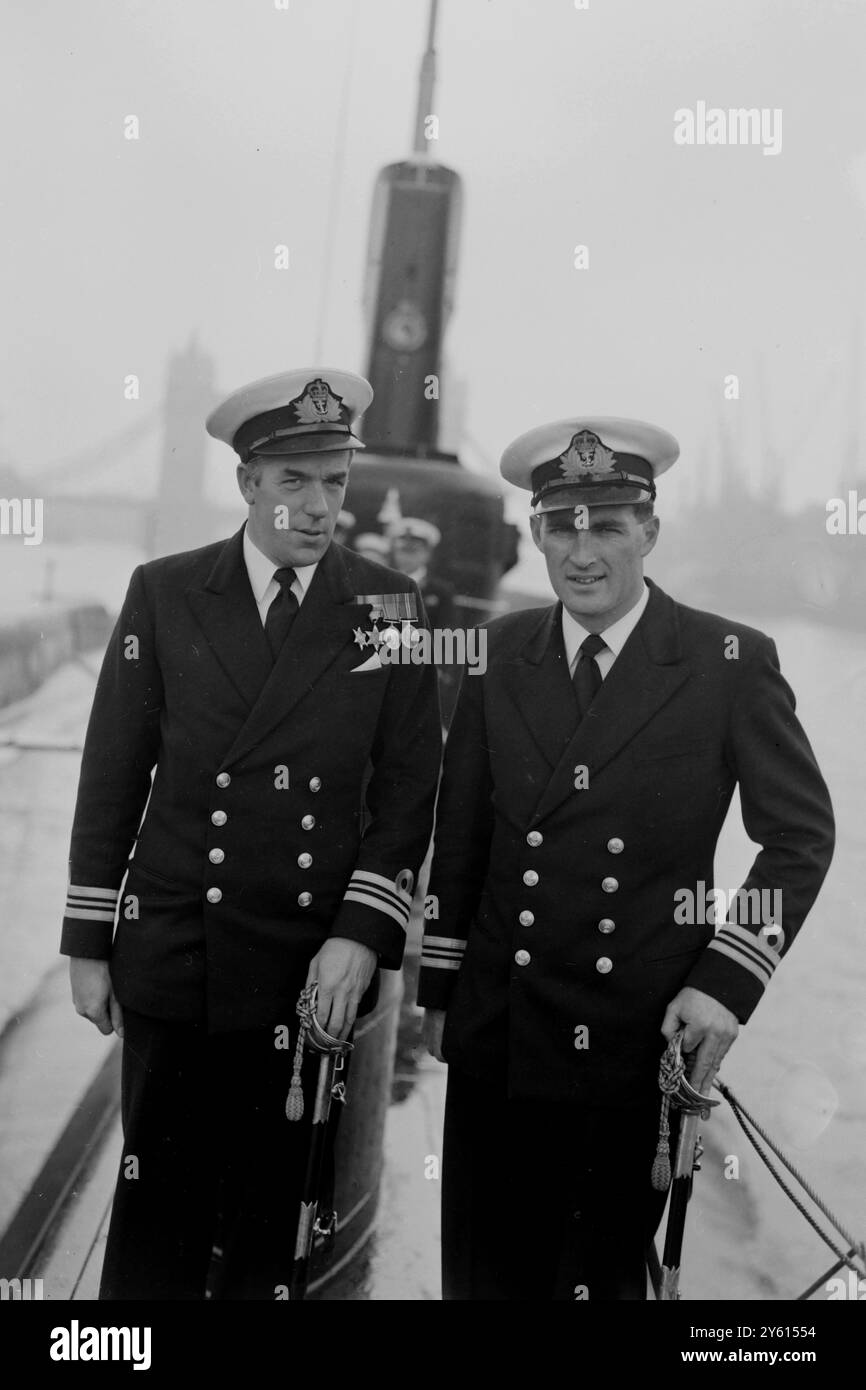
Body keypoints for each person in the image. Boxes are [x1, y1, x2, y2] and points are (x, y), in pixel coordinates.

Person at [418, 416, 835, 1301]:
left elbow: (798, 838)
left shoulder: (727, 662)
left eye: (607, 526)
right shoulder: (498, 654)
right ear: (534, 534)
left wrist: (726, 982)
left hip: (627, 1047)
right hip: (499, 1036)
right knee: (480, 1286)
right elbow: (461, 842)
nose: (582, 552)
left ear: (649, 531)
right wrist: (438, 1001)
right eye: (561, 527)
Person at [62, 368, 442, 1300]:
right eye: (294, 483)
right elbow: (113, 774)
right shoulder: (165, 592)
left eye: (335, 484)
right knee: (154, 1226)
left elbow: (407, 789)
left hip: (305, 969)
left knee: (274, 1238)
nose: (318, 509)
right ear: (248, 484)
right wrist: (86, 941)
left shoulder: (390, 609)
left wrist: (361, 934)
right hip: (176, 955)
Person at [389, 517, 456, 629]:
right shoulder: (382, 583)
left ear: (427, 554)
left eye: (413, 551)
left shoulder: (441, 592)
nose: (407, 557)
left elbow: (446, 632)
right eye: (403, 551)